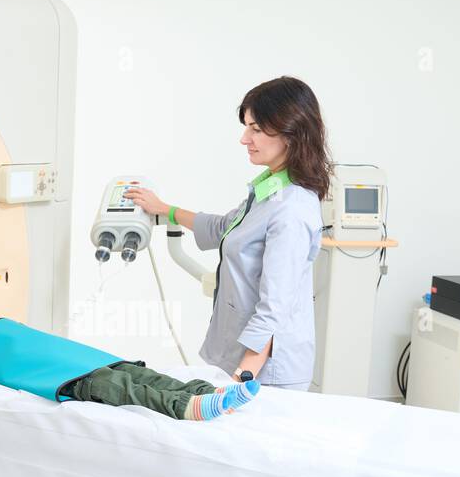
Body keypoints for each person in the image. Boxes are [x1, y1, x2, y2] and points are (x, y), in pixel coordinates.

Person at [125, 76, 330, 390]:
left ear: (292, 132)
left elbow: (273, 311)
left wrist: (237, 384)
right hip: (237, 354)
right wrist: (164, 209)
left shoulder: (292, 211)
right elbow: (224, 227)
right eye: (247, 126)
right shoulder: (270, 189)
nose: (244, 138)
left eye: (256, 129)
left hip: (266, 372)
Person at [0, 284, 260, 422]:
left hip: (69, 353)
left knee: (132, 370)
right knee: (118, 385)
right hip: (50, 372)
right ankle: (187, 407)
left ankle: (209, 394)